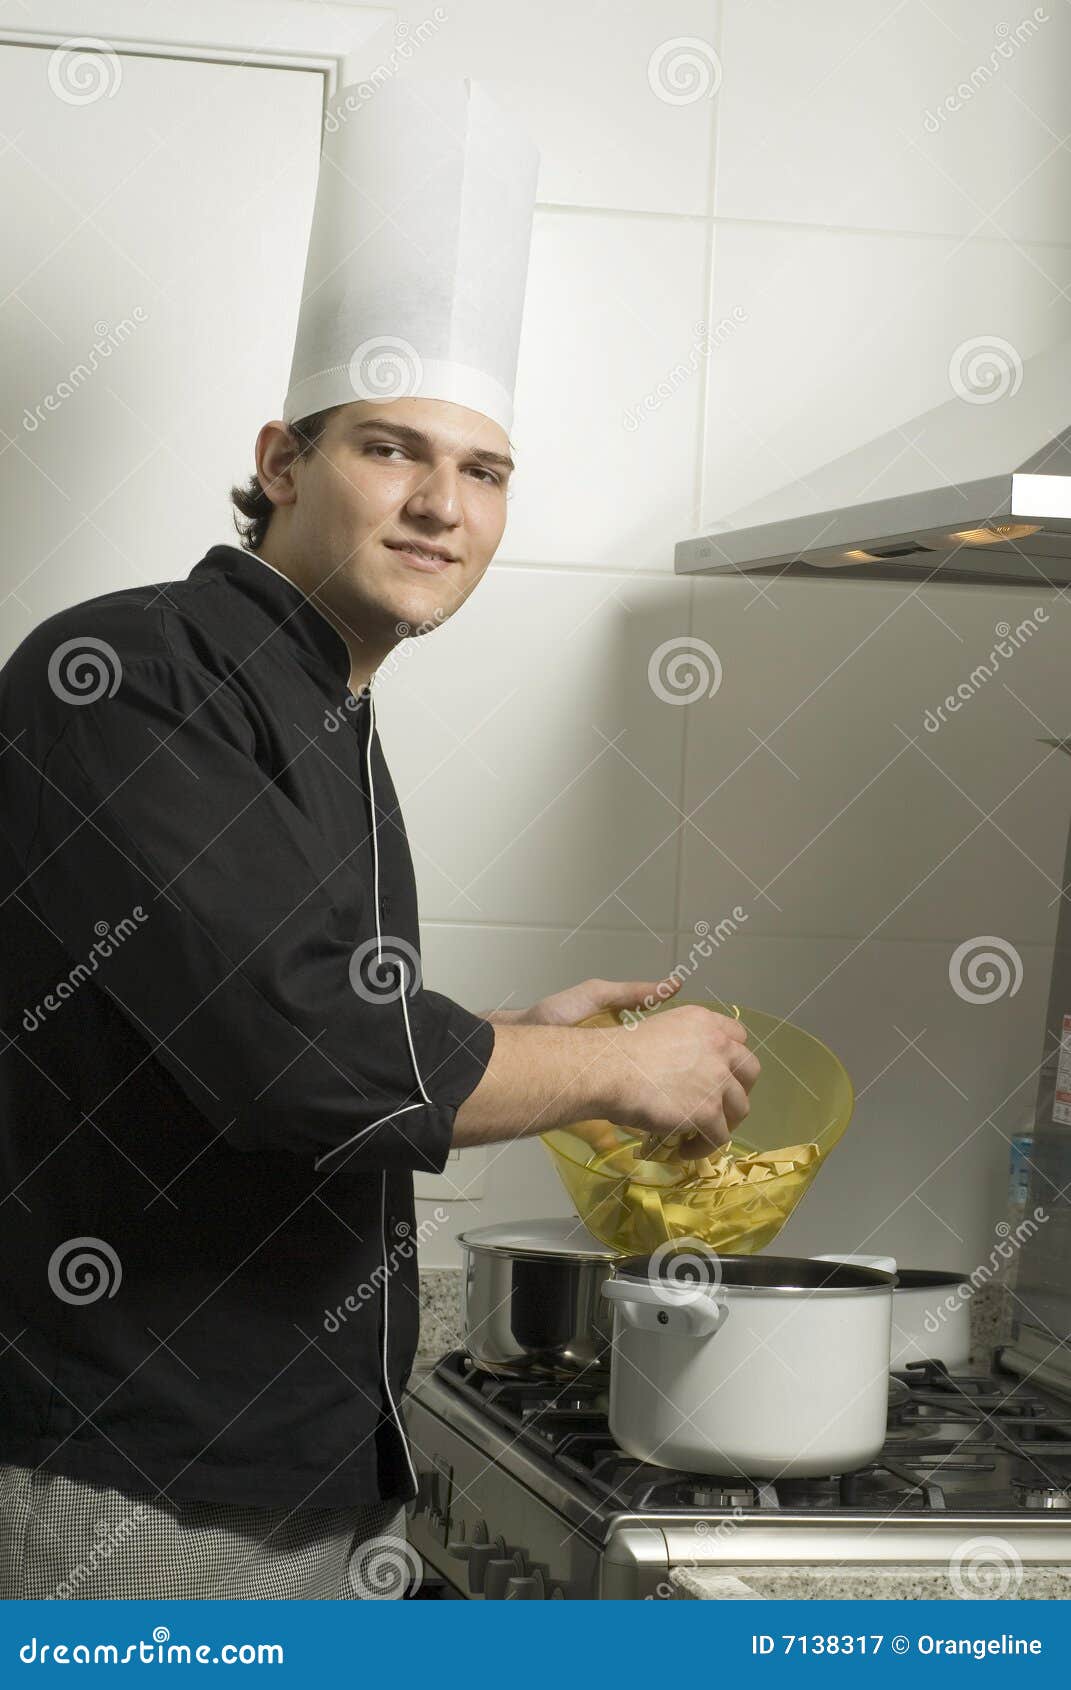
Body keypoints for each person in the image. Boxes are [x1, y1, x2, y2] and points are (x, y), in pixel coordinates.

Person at [0, 78, 759, 1601]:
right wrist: (611, 1067)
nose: (440, 506)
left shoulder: (333, 710)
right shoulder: (124, 678)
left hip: (313, 1473)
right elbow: (290, 1051)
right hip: (143, 1500)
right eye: (390, 452)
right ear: (283, 459)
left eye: (482, 473)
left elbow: (305, 1036)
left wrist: (511, 1039)